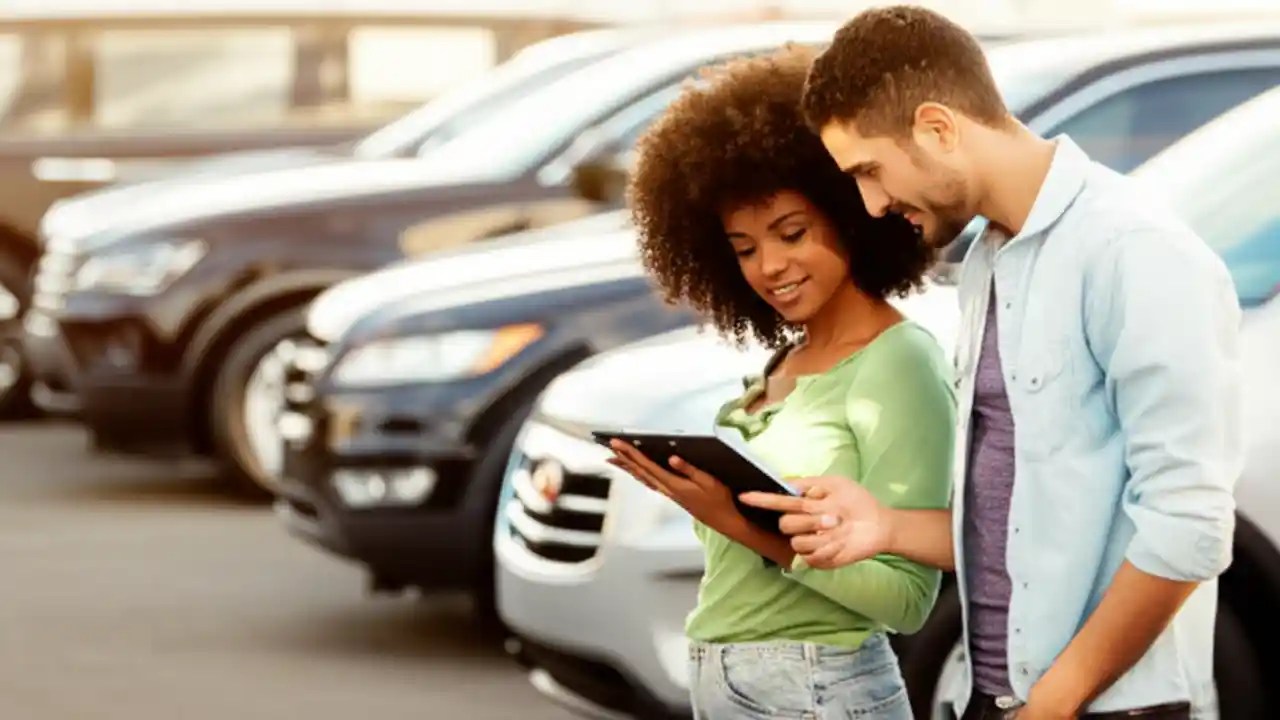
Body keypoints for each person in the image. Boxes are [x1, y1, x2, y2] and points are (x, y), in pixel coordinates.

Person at [740, 6, 1243, 720]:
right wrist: (881, 527)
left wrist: (1057, 701)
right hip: (994, 694)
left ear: (938, 128)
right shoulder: (988, 261)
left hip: (1109, 708)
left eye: (870, 171)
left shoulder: (1135, 252)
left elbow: (1189, 526)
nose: (872, 204)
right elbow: (1022, 514)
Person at [605, 44, 957, 719]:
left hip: (818, 687)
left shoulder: (899, 362)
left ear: (850, 212)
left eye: (791, 233)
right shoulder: (783, 364)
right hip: (729, 677)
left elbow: (908, 602)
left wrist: (736, 521)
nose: (768, 266)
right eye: (742, 248)